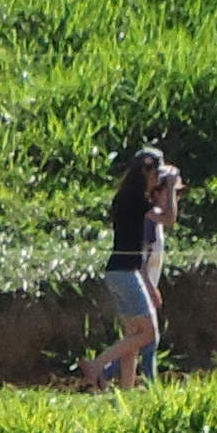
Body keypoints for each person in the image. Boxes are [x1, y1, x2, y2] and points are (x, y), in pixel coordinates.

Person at [75, 141, 181, 388]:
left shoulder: (124, 197)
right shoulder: (136, 199)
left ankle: (127, 390)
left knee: (132, 337)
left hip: (116, 271)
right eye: (156, 174)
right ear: (145, 171)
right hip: (126, 272)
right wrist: (170, 187)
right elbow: (169, 219)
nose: (158, 179)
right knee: (148, 333)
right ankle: (97, 366)